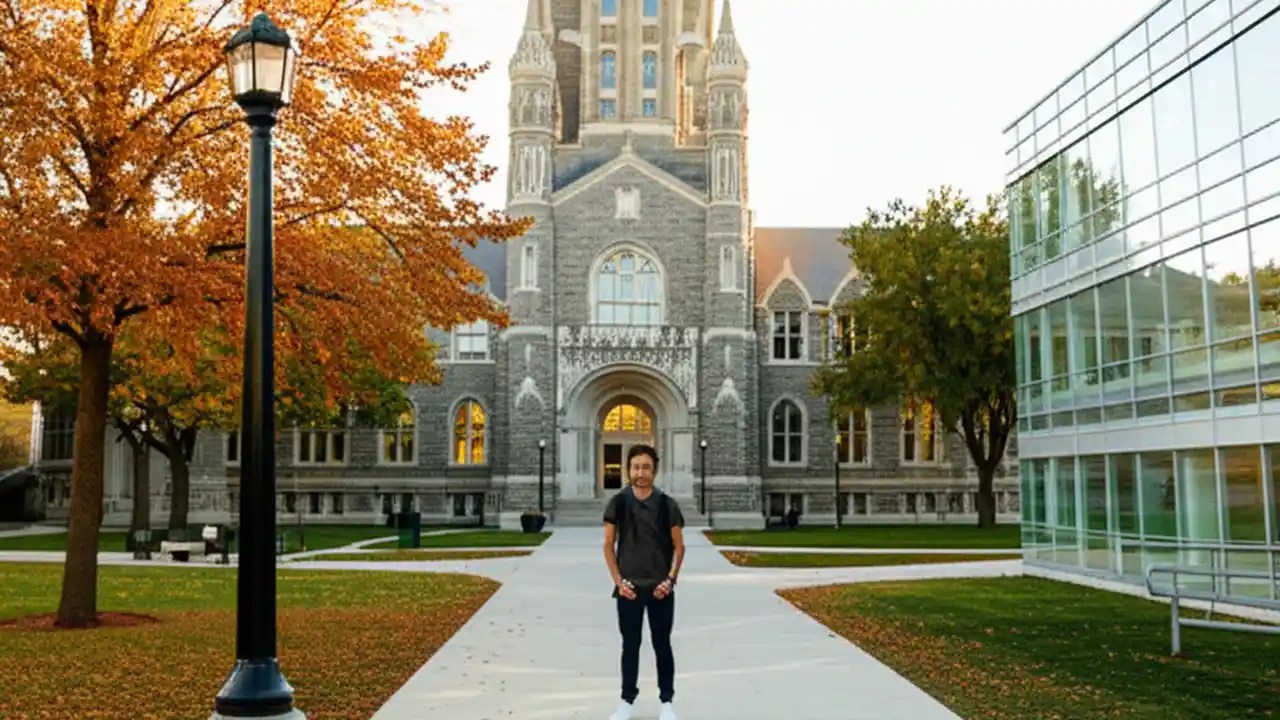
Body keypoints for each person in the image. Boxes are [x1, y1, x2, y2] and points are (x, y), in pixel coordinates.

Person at [602, 443, 685, 720]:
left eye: (646, 467)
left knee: (662, 644)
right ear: (628, 469)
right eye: (636, 467)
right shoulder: (618, 503)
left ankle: (667, 703)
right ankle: (626, 702)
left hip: (660, 589)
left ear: (654, 470)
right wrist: (618, 582)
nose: (641, 472)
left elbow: (679, 547)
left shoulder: (667, 504)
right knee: (630, 645)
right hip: (629, 590)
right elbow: (608, 546)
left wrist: (670, 580)